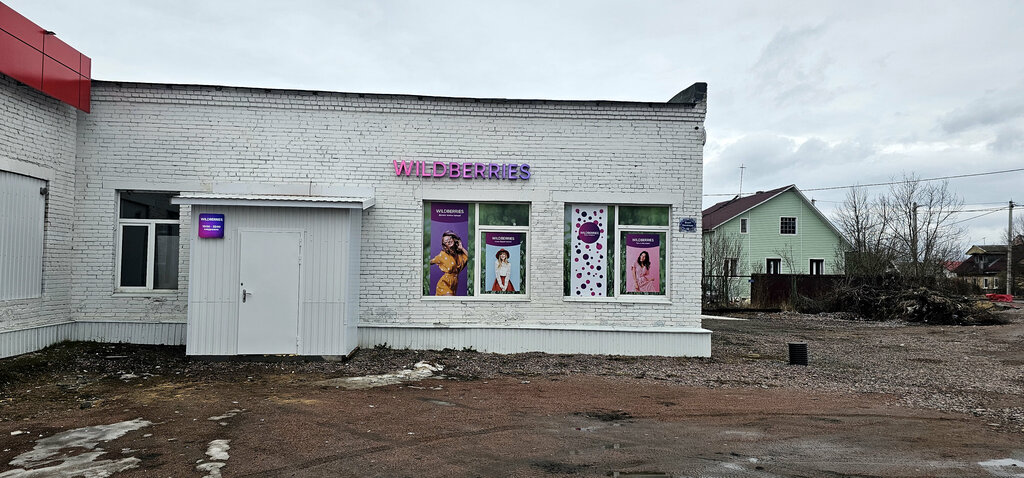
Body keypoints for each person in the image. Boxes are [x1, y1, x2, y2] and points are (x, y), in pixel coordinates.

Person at [430, 231, 468, 296]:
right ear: (445, 245)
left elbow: (471, 258)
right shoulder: (442, 255)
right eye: (446, 242)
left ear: (453, 239)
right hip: (444, 283)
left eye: (449, 239)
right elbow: (431, 261)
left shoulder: (459, 254)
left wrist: (462, 248)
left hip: (454, 284)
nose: (448, 241)